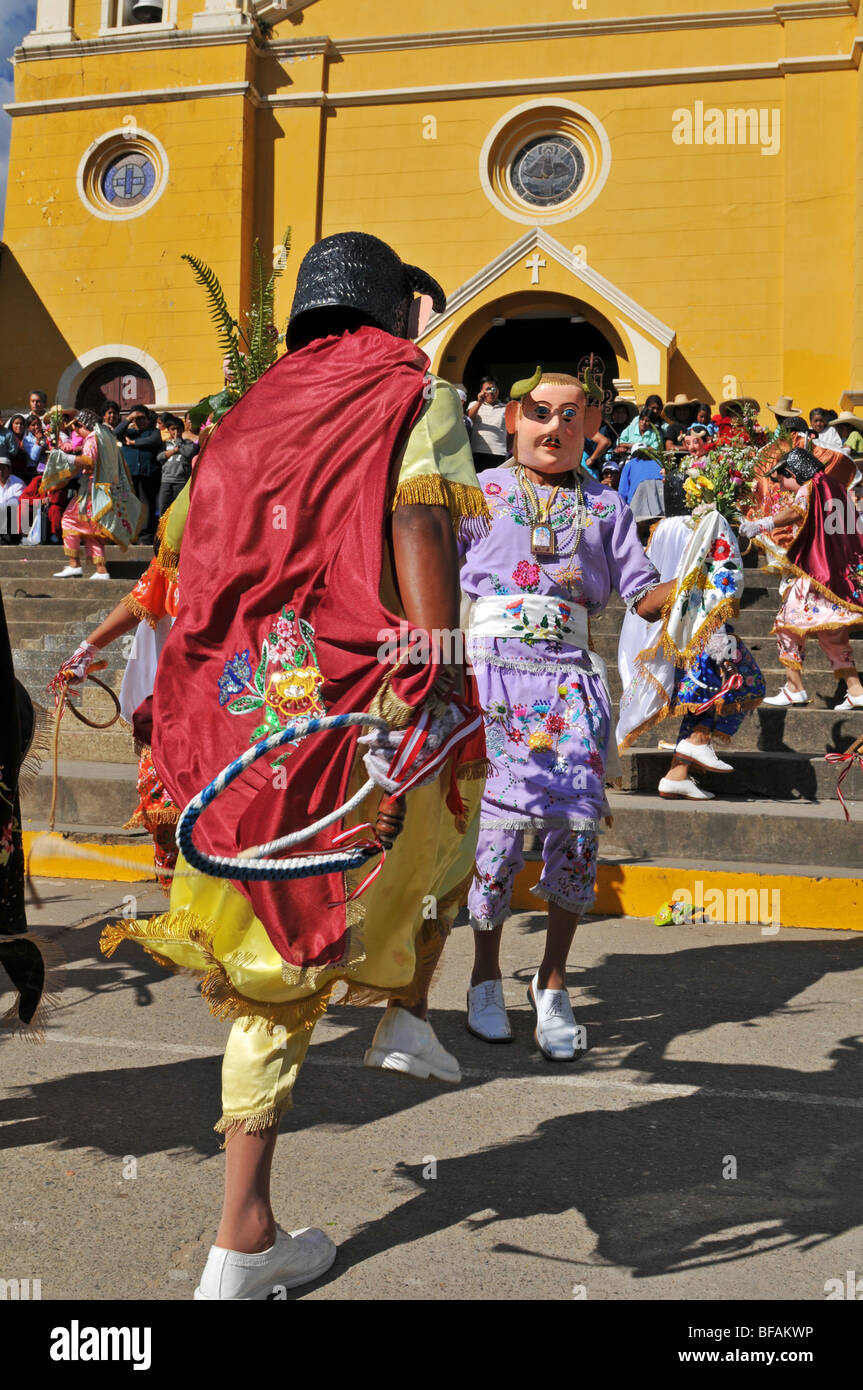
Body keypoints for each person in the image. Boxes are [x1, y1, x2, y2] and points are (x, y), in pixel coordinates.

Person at [100, 231, 490, 1299]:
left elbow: (182, 551)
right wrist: (437, 647)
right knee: (456, 800)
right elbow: (418, 510)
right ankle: (246, 1230)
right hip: (359, 684)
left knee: (272, 944)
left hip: (249, 702)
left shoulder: (244, 414)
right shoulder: (415, 391)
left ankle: (253, 1221)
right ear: (394, 308)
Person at [459, 365, 672, 1057]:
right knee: (493, 840)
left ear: (589, 427)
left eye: (569, 415)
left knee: (577, 833)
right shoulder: (474, 494)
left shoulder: (607, 507)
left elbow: (642, 594)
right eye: (540, 413)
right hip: (489, 683)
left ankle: (551, 983)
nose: (554, 427)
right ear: (514, 420)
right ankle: (485, 974)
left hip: (568, 688)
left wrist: (702, 576)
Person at [617, 509, 765, 800]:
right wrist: (721, 644)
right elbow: (704, 581)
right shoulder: (705, 523)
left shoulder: (661, 527)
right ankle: (696, 741)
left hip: (668, 628)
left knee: (703, 699)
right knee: (746, 681)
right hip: (700, 624)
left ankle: (678, 772)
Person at [741, 447, 863, 709]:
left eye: (781, 478)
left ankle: (794, 688)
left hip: (815, 572)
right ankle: (856, 690)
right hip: (836, 572)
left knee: (787, 625)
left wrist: (762, 525)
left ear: (793, 472)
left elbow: (796, 512)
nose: (780, 485)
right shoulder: (837, 486)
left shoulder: (811, 487)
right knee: (832, 632)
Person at [54, 408, 142, 579]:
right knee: (91, 530)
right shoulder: (102, 437)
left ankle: (74, 564)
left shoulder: (92, 439)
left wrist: (66, 458)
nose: (75, 432)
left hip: (92, 490)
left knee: (69, 521)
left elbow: (88, 461)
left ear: (81, 425)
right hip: (99, 490)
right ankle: (101, 569)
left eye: (75, 428)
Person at [116, 405, 162, 544]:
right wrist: (129, 418)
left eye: (143, 418)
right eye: (137, 418)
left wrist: (134, 443)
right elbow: (115, 433)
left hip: (147, 475)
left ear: (148, 420)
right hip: (129, 476)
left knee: (146, 505)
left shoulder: (153, 432)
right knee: (129, 505)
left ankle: (145, 537)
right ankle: (129, 535)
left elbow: (154, 441)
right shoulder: (127, 432)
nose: (140, 421)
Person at [156, 414, 197, 514]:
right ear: (168, 430)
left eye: (178, 429)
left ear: (182, 429)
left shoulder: (188, 443)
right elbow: (159, 457)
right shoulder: (165, 444)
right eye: (173, 429)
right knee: (163, 508)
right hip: (166, 480)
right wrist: (174, 450)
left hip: (181, 480)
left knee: (180, 509)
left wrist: (178, 442)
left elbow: (188, 453)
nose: (176, 432)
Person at [467, 375, 508, 472]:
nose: (491, 392)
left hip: (498, 452)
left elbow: (511, 431)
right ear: (481, 391)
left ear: (498, 390)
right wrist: (479, 403)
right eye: (488, 389)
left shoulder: (505, 408)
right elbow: (470, 419)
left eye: (494, 389)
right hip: (477, 451)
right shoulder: (474, 404)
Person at [0, 456, 26, 544]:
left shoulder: (18, 483)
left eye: (3, 468)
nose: (0, 471)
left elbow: (15, 502)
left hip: (12, 519)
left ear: (9, 470)